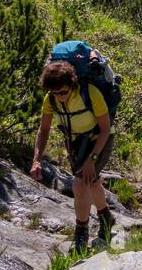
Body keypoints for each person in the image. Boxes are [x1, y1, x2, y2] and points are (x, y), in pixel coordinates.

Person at [30, 60, 115, 253]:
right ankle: (106, 218)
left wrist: (92, 160)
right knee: (91, 182)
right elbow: (43, 130)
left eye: (63, 92)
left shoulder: (90, 93)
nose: (59, 97)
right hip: (76, 143)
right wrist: (36, 159)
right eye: (55, 93)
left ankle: (81, 235)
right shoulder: (50, 99)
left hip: (100, 139)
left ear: (72, 83)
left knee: (79, 183)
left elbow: (105, 129)